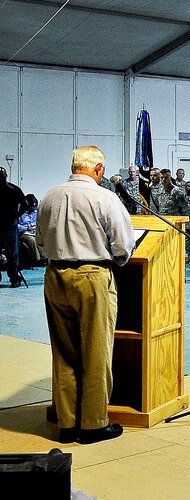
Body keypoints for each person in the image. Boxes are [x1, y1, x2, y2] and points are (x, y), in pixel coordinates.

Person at [38, 146, 135, 444]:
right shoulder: (105, 198)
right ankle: (93, 424)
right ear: (99, 169)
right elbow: (123, 246)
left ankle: (67, 424)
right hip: (92, 277)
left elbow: (40, 241)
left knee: (64, 353)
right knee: (96, 351)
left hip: (55, 276)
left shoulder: (49, 196)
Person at [0, 165, 30, 286]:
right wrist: (16, 215)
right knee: (12, 252)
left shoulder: (13, 189)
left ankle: (14, 277)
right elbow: (25, 205)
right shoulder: (13, 189)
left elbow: (25, 204)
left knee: (12, 252)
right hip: (10, 224)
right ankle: (14, 277)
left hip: (10, 225)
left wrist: (16, 215)